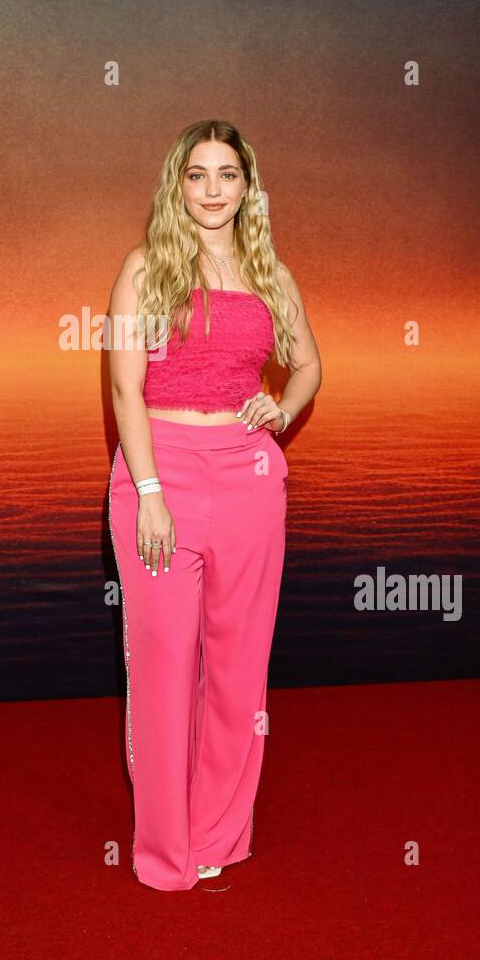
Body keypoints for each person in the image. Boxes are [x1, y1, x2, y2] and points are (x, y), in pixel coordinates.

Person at [106, 118, 321, 891]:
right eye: (197, 174)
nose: (212, 190)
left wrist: (282, 410)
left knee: (238, 671)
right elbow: (125, 387)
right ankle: (164, 853)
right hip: (159, 479)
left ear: (246, 186)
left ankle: (220, 836)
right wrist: (152, 493)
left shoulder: (273, 275)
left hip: (250, 482)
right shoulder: (145, 267)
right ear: (178, 183)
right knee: (164, 670)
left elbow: (308, 366)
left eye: (226, 175)